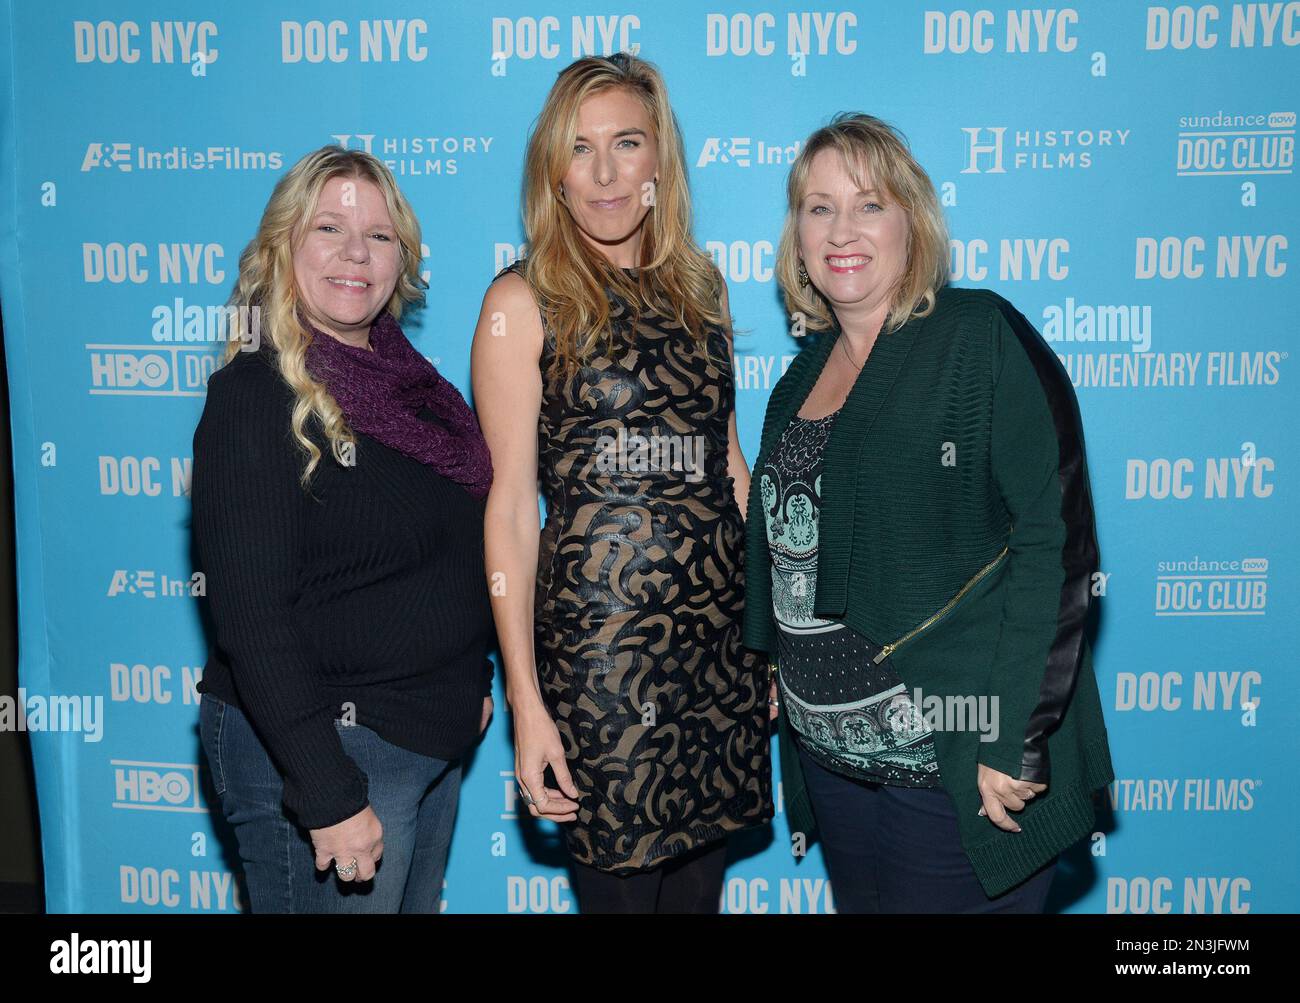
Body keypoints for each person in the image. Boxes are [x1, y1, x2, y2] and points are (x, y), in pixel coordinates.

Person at [744, 113, 1115, 913]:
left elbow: (1054, 541)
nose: (841, 229)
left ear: (911, 222)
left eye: (869, 204)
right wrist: (769, 662)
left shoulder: (976, 335)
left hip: (952, 764)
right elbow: (784, 557)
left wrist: (1013, 732)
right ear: (797, 236)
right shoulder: (796, 382)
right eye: (818, 207)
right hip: (836, 769)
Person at [471, 53, 772, 914]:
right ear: (553, 173)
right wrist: (527, 700)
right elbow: (510, 511)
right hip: (603, 664)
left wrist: (770, 638)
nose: (604, 173)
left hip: (719, 654)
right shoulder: (522, 301)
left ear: (659, 160)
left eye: (626, 143)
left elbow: (730, 469)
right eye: (580, 148)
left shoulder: (702, 288)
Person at [192, 145, 495, 913]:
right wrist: (327, 791)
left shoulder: (415, 391)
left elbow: (450, 555)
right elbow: (253, 620)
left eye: (379, 235)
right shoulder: (254, 395)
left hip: (425, 736)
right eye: (329, 227)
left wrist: (471, 679)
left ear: (402, 259)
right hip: (326, 749)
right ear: (284, 244)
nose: (356, 253)